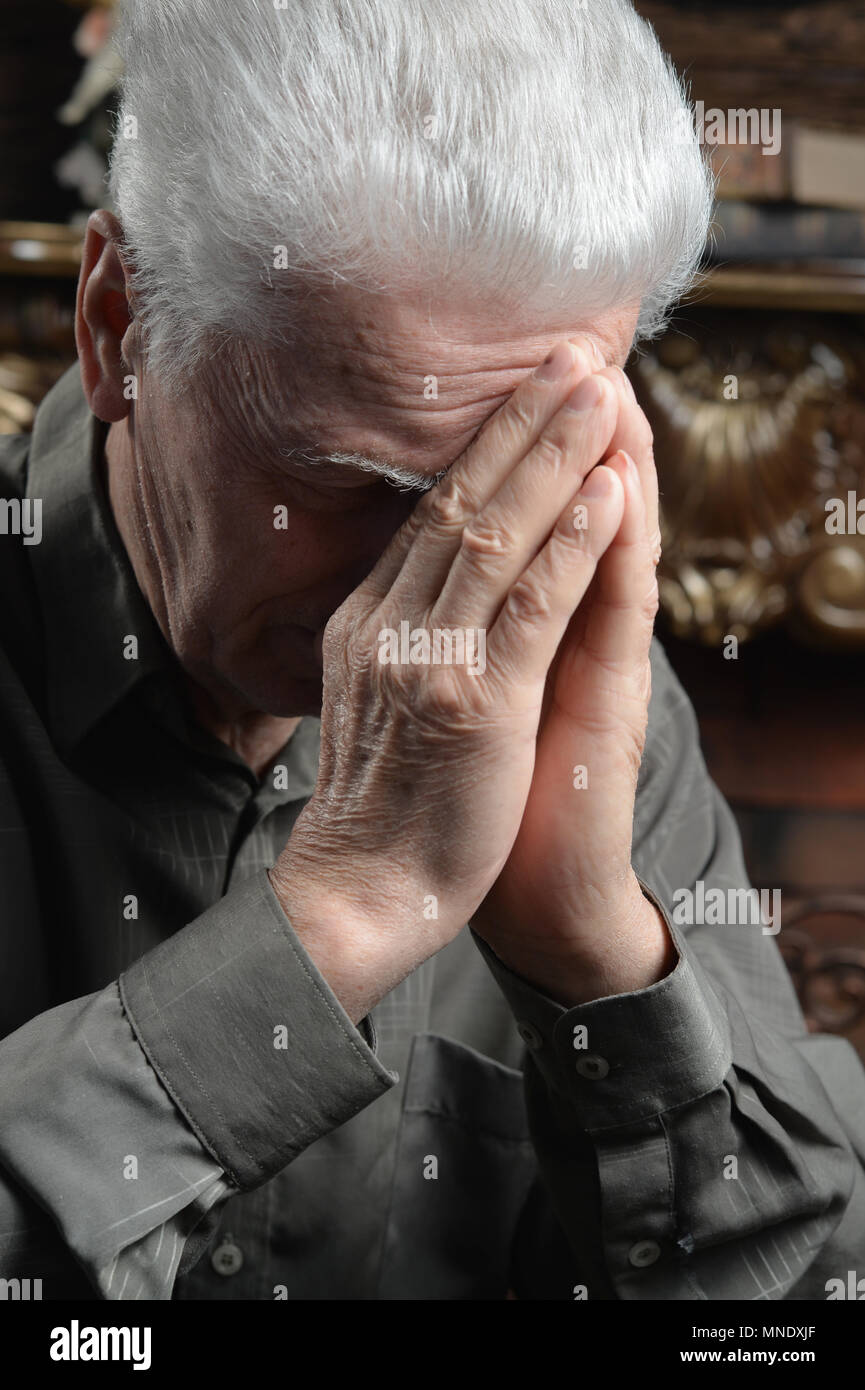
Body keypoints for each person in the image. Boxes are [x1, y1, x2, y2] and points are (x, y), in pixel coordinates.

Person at [0, 0, 863, 1302]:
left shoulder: (590, 705)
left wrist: (597, 958)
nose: (427, 620)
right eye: (349, 485)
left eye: (522, 480)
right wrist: (339, 913)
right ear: (120, 322)